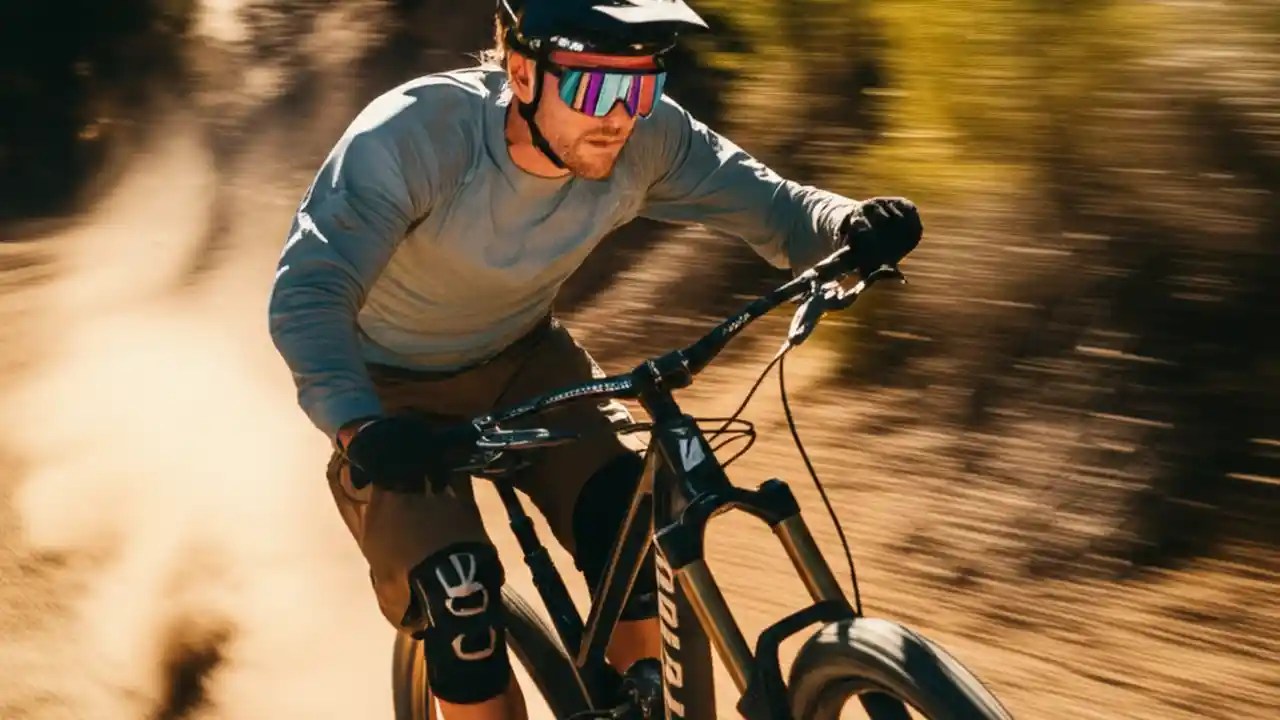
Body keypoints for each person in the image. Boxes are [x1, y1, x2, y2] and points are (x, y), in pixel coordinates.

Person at [267, 0, 923, 718]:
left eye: (642, 86)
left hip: (527, 362)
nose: (620, 115)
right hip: (390, 396)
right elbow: (310, 293)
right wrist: (360, 426)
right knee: (459, 603)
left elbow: (777, 208)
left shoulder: (647, 140)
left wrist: (847, 223)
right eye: (593, 86)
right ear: (522, 72)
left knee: (632, 534)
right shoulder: (415, 136)